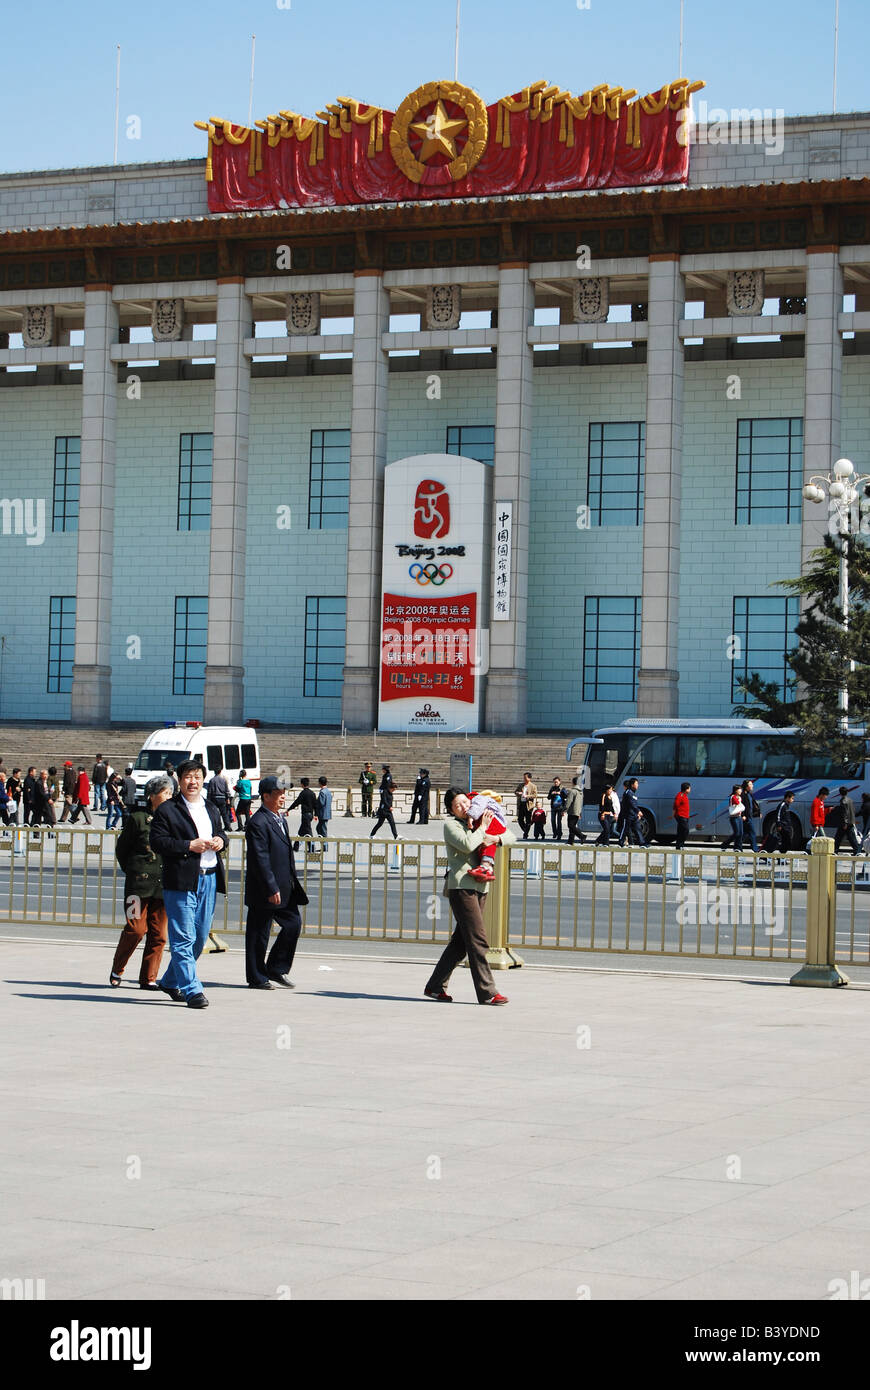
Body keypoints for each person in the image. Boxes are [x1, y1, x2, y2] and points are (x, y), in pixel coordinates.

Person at [149, 759, 228, 1008]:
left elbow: (223, 832)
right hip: (181, 881)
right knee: (183, 937)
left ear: (203, 779)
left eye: (196, 776)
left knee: (199, 938)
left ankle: (171, 980)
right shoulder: (168, 810)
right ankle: (193, 990)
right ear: (179, 780)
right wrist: (188, 846)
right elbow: (158, 842)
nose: (192, 781)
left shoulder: (211, 808)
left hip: (209, 877)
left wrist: (220, 841)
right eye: (187, 777)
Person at [424, 787, 513, 1005]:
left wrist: (494, 837)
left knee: (461, 942)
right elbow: (467, 844)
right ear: (451, 810)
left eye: (465, 802)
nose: (464, 807)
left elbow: (511, 836)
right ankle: (488, 992)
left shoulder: (480, 818)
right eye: (457, 805)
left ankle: (435, 986)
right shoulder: (451, 825)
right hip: (462, 887)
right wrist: (482, 829)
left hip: (481, 887)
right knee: (478, 940)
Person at [243, 775, 308, 989]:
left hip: (284, 887)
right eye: (279, 794)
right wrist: (271, 886)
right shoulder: (258, 822)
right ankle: (256, 976)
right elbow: (260, 858)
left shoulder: (281, 820)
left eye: (284, 793)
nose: (283, 797)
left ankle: (276, 967)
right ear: (266, 796)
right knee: (259, 933)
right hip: (265, 888)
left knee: (293, 924)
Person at [110, 774, 172, 989]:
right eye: (165, 793)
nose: (169, 796)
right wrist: (135, 871)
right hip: (138, 886)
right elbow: (122, 850)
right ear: (152, 796)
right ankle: (117, 968)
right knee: (135, 929)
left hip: (164, 887)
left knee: (159, 935)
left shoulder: (174, 819)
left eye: (171, 793)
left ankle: (149, 978)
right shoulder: (138, 819)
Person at [466, 791, 508, 881]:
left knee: (486, 841)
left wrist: (470, 817)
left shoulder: (478, 799)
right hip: (495, 824)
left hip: (494, 822)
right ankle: (488, 869)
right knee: (486, 843)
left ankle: (485, 865)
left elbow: (477, 806)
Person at [289, 777, 318, 851]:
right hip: (310, 814)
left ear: (302, 784)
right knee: (302, 831)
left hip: (305, 815)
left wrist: (289, 809)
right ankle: (296, 846)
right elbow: (315, 805)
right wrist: (316, 815)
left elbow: (297, 802)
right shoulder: (312, 793)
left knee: (308, 831)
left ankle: (312, 847)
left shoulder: (303, 793)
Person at [370, 766, 398, 839]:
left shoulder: (388, 776)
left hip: (387, 810)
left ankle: (396, 836)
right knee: (379, 824)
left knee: (392, 823)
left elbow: (388, 783)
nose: (393, 791)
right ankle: (372, 835)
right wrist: (389, 807)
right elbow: (384, 800)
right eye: (393, 789)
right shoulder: (385, 791)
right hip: (384, 810)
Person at [834, 786, 861, 855]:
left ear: (840, 793)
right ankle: (857, 851)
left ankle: (835, 850)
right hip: (851, 821)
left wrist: (845, 823)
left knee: (838, 838)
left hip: (845, 823)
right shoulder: (850, 800)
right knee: (851, 838)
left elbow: (844, 813)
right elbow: (852, 810)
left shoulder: (843, 801)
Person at [205, 764, 233, 831]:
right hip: (222, 798)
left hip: (214, 798)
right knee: (224, 813)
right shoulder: (223, 780)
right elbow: (226, 790)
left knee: (214, 813)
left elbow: (210, 791)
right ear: (220, 771)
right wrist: (227, 798)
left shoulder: (212, 780)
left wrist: (208, 800)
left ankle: (216, 827)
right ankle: (228, 826)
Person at [620, 778, 646, 846]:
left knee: (638, 828)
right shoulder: (628, 792)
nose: (638, 785)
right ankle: (621, 842)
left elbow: (634, 804)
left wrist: (636, 813)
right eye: (636, 783)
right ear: (632, 785)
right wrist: (638, 811)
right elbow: (632, 804)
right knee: (625, 829)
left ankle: (642, 843)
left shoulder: (633, 793)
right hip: (628, 815)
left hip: (633, 815)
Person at [740, 779, 760, 853]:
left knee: (745, 833)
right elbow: (740, 806)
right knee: (752, 833)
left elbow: (753, 805)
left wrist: (758, 813)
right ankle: (755, 849)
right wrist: (743, 815)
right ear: (746, 786)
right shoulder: (743, 795)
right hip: (746, 817)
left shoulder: (749, 794)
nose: (752, 786)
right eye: (750, 784)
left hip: (750, 816)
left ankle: (737, 846)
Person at [722, 784, 745, 850]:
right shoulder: (733, 797)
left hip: (739, 817)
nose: (741, 791)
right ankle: (725, 844)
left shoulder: (739, 797)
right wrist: (739, 799)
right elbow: (737, 803)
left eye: (741, 789)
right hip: (734, 818)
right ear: (735, 790)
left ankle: (738, 848)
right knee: (736, 833)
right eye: (739, 789)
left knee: (740, 833)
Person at [516, 772, 537, 840]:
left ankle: (525, 834)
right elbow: (515, 792)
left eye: (526, 778)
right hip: (521, 804)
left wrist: (527, 796)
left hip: (528, 805)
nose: (524, 779)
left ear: (529, 778)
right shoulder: (520, 785)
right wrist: (518, 793)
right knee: (520, 819)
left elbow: (535, 795)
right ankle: (526, 830)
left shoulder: (533, 786)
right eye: (524, 778)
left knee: (528, 820)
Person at [563, 776, 584, 844]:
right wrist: (580, 812)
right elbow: (581, 803)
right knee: (572, 826)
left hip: (572, 811)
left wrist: (564, 809)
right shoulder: (581, 791)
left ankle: (582, 836)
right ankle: (571, 840)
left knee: (570, 825)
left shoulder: (573, 791)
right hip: (578, 811)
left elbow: (568, 801)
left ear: (573, 782)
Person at [673, 782, 691, 850]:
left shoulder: (685, 795)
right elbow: (675, 805)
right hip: (681, 816)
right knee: (686, 830)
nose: (690, 790)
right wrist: (675, 815)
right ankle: (681, 844)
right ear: (686, 789)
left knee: (680, 831)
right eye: (689, 788)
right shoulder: (680, 795)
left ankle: (679, 846)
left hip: (685, 816)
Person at [315, 776, 332, 842]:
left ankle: (324, 845)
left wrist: (316, 801)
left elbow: (321, 803)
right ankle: (323, 844)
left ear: (320, 783)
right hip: (327, 812)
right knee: (321, 828)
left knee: (322, 829)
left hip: (323, 813)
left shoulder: (322, 792)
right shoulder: (328, 791)